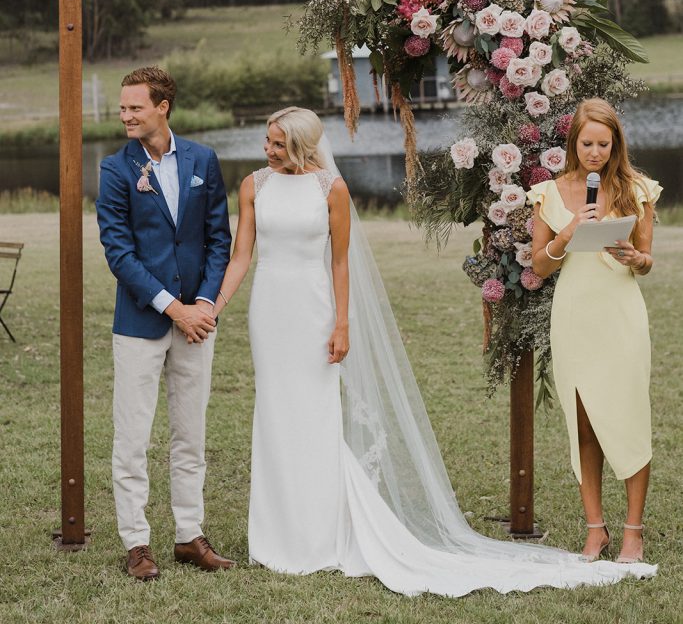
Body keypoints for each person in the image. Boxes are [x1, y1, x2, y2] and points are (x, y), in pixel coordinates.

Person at [213, 105, 656, 597]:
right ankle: (279, 530)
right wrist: (218, 304)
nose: (268, 150)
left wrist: (342, 321)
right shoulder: (254, 186)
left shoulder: (329, 189)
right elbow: (241, 256)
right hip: (270, 313)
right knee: (273, 414)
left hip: (315, 310)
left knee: (317, 415)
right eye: (267, 141)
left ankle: (318, 529)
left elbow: (339, 264)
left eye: (279, 143)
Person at [97, 66, 235, 581]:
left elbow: (218, 239)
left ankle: (188, 536)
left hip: (197, 323)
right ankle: (137, 543)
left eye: (135, 107)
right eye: (122, 107)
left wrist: (202, 305)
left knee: (190, 437)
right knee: (132, 439)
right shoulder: (116, 169)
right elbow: (119, 251)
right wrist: (172, 308)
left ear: (163, 106)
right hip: (140, 323)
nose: (126, 115)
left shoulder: (203, 159)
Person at [529, 97, 661, 566]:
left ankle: (633, 532)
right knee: (583, 422)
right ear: (574, 142)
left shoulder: (636, 189)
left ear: (615, 144)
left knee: (627, 416)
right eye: (588, 143)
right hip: (574, 316)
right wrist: (566, 237)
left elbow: (646, 262)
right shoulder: (548, 193)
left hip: (620, 313)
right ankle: (594, 530)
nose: (596, 153)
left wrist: (634, 257)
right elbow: (539, 266)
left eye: (604, 144)